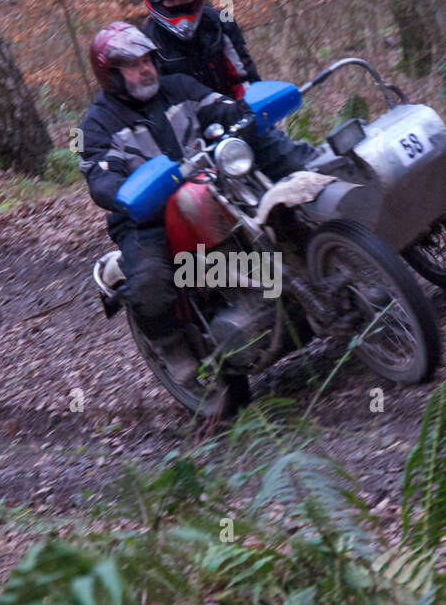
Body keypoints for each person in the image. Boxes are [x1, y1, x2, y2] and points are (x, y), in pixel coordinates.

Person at [79, 21, 312, 385]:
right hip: (146, 215)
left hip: (214, 182)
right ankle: (172, 345)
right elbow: (99, 175)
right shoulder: (97, 124)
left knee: (285, 208)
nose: (146, 70)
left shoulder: (179, 86)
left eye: (148, 61)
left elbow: (221, 107)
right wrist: (125, 191)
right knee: (151, 280)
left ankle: (306, 277)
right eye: (133, 65)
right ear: (110, 75)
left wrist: (244, 117)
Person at [139, 0, 312, 173]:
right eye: (171, 0)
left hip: (238, 122)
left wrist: (248, 115)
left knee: (296, 163)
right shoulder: (146, 44)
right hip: (189, 148)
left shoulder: (220, 23)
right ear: (155, 1)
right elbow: (153, 106)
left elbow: (244, 75)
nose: (179, 5)